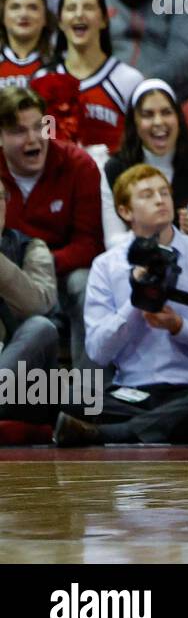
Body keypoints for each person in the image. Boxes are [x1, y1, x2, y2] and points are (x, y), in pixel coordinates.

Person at [54, 164, 188, 447]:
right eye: (147, 194)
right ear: (125, 212)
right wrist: (136, 301)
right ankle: (149, 428)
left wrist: (180, 327)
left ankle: (112, 434)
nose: (160, 200)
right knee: (68, 400)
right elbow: (98, 352)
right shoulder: (107, 265)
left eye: (164, 192)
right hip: (131, 392)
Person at [0, 87, 103, 372]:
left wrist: (41, 265)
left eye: (40, 127)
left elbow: (90, 244)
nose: (34, 139)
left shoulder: (78, 166)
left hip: (63, 270)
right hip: (6, 275)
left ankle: (85, 399)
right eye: (19, 131)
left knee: (88, 284)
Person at [101, 79, 188, 252]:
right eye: (148, 114)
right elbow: (112, 243)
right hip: (141, 265)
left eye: (166, 112)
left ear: (178, 117)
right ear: (135, 122)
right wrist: (147, 231)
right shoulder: (115, 169)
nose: (158, 122)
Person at [40, 0, 144, 153]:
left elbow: (137, 147)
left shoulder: (129, 80)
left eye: (88, 7)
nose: (79, 14)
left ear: (104, 20)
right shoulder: (43, 80)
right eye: (71, 8)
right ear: (60, 21)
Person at [0, 178, 60, 433]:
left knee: (41, 327)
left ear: (6, 205)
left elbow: (39, 305)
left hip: (18, 381)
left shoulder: (31, 248)